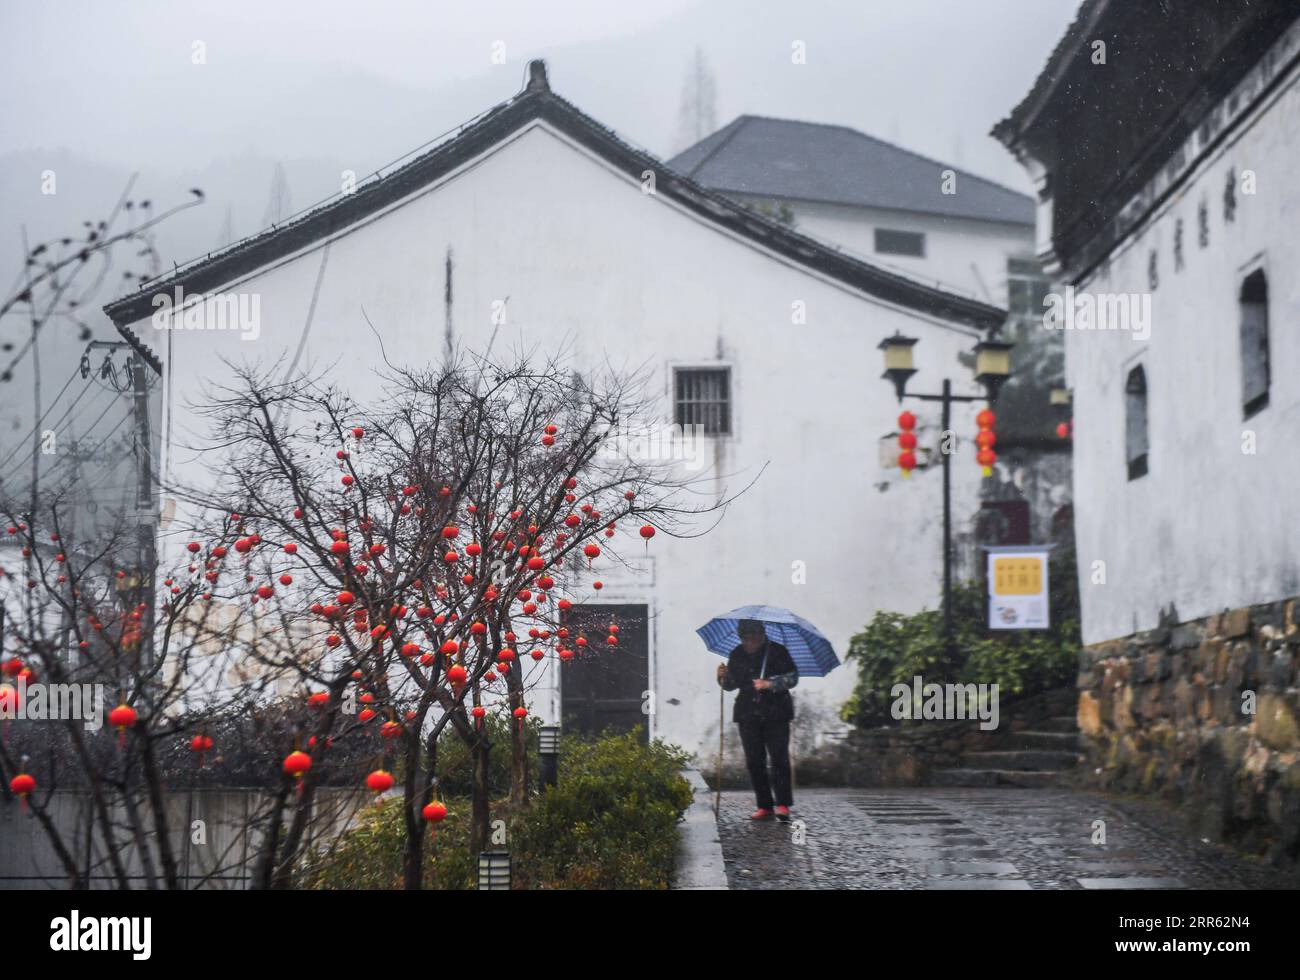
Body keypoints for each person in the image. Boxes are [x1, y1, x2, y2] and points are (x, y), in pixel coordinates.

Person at [716, 619, 799, 821]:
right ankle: (764, 805)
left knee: (779, 758)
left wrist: (770, 684)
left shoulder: (778, 651)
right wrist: (722, 677)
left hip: (776, 712)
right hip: (747, 712)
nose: (750, 643)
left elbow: (793, 677)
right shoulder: (737, 654)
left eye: (754, 638)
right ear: (741, 638)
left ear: (762, 635)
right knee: (754, 761)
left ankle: (782, 804)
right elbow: (730, 685)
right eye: (746, 639)